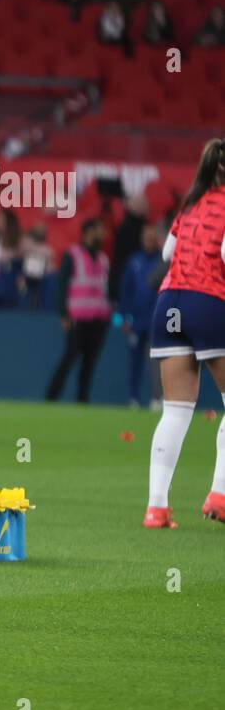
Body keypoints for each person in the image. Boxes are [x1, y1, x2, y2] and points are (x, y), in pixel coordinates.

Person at [143, 138, 225, 528]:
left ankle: (156, 508)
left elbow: (166, 254)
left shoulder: (191, 203)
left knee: (175, 410)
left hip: (170, 303)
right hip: (209, 300)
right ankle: (220, 495)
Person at [46, 217, 110, 403]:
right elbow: (62, 285)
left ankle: (82, 397)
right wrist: (63, 314)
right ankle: (52, 395)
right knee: (70, 357)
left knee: (90, 361)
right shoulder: (72, 254)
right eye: (99, 229)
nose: (102, 234)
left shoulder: (103, 258)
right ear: (89, 232)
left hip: (98, 317)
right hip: (77, 317)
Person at [120, 221, 162, 408]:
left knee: (156, 361)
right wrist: (124, 317)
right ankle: (133, 398)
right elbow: (125, 291)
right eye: (147, 237)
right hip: (137, 319)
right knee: (134, 361)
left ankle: (156, 398)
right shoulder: (134, 261)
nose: (150, 240)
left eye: (153, 237)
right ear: (142, 239)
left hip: (156, 319)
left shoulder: (163, 262)